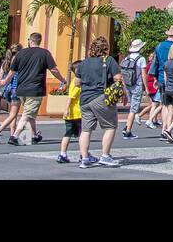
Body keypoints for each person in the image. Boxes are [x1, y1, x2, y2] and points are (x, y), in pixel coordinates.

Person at [0, 32, 68, 146]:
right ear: (39, 41)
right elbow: (53, 70)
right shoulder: (44, 53)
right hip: (35, 88)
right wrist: (63, 80)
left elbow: (12, 70)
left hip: (21, 89)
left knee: (30, 112)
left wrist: (5, 81)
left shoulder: (21, 53)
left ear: (30, 41)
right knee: (28, 113)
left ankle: (34, 135)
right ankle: (15, 136)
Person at [71, 35, 123, 168]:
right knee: (110, 126)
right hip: (101, 97)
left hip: (85, 99)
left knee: (86, 129)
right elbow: (118, 78)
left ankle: (85, 158)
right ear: (105, 48)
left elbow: (77, 83)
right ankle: (105, 155)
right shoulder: (109, 60)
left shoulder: (83, 63)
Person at [120, 39, 147, 139]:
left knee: (132, 106)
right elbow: (144, 75)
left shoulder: (128, 57)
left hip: (128, 85)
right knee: (133, 109)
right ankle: (128, 131)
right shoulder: (141, 59)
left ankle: (126, 126)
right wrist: (146, 88)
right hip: (137, 84)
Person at [0, 44, 22, 140]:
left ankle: (12, 134)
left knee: (12, 113)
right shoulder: (18, 60)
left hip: (8, 89)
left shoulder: (6, 62)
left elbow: (1, 76)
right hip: (16, 88)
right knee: (13, 114)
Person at [56, 73, 82, 164]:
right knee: (82, 134)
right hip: (76, 113)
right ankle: (83, 155)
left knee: (68, 134)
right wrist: (66, 110)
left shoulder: (73, 81)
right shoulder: (77, 83)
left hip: (71, 114)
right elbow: (70, 98)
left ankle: (63, 154)